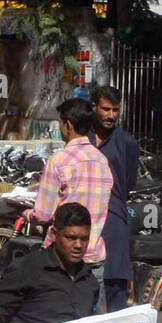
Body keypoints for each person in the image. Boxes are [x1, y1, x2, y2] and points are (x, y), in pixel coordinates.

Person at [30, 97, 114, 304]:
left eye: (60, 123)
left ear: (68, 125)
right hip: (94, 254)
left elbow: (42, 215)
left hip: (63, 260)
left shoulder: (58, 161)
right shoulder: (101, 160)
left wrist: (27, 214)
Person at [0, 202, 99, 323]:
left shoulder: (89, 280)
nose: (78, 245)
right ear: (53, 234)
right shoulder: (27, 268)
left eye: (84, 239)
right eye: (71, 238)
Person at [88, 85, 139, 312]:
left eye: (115, 110)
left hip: (113, 216)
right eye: (106, 109)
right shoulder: (82, 138)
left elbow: (128, 183)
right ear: (94, 107)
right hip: (84, 217)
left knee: (115, 278)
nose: (111, 116)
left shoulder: (127, 142)